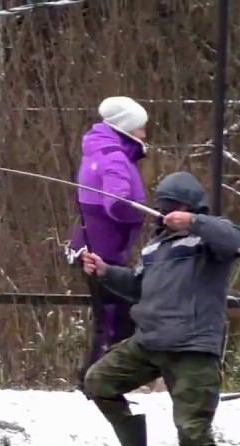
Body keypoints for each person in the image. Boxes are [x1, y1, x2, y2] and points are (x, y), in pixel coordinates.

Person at [78, 170, 240, 446]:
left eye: (176, 208)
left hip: (193, 347)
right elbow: (138, 287)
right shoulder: (154, 247)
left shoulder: (208, 239)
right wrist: (106, 272)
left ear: (190, 208)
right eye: (165, 208)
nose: (168, 213)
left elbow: (235, 241)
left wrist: (195, 222)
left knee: (193, 430)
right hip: (148, 341)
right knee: (99, 381)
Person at [67, 96, 151, 389]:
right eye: (141, 128)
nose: (144, 134)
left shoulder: (97, 149)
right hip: (104, 252)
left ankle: (100, 379)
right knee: (115, 319)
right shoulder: (114, 156)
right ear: (127, 127)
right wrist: (145, 213)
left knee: (112, 317)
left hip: (93, 245)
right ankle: (95, 382)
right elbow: (116, 202)